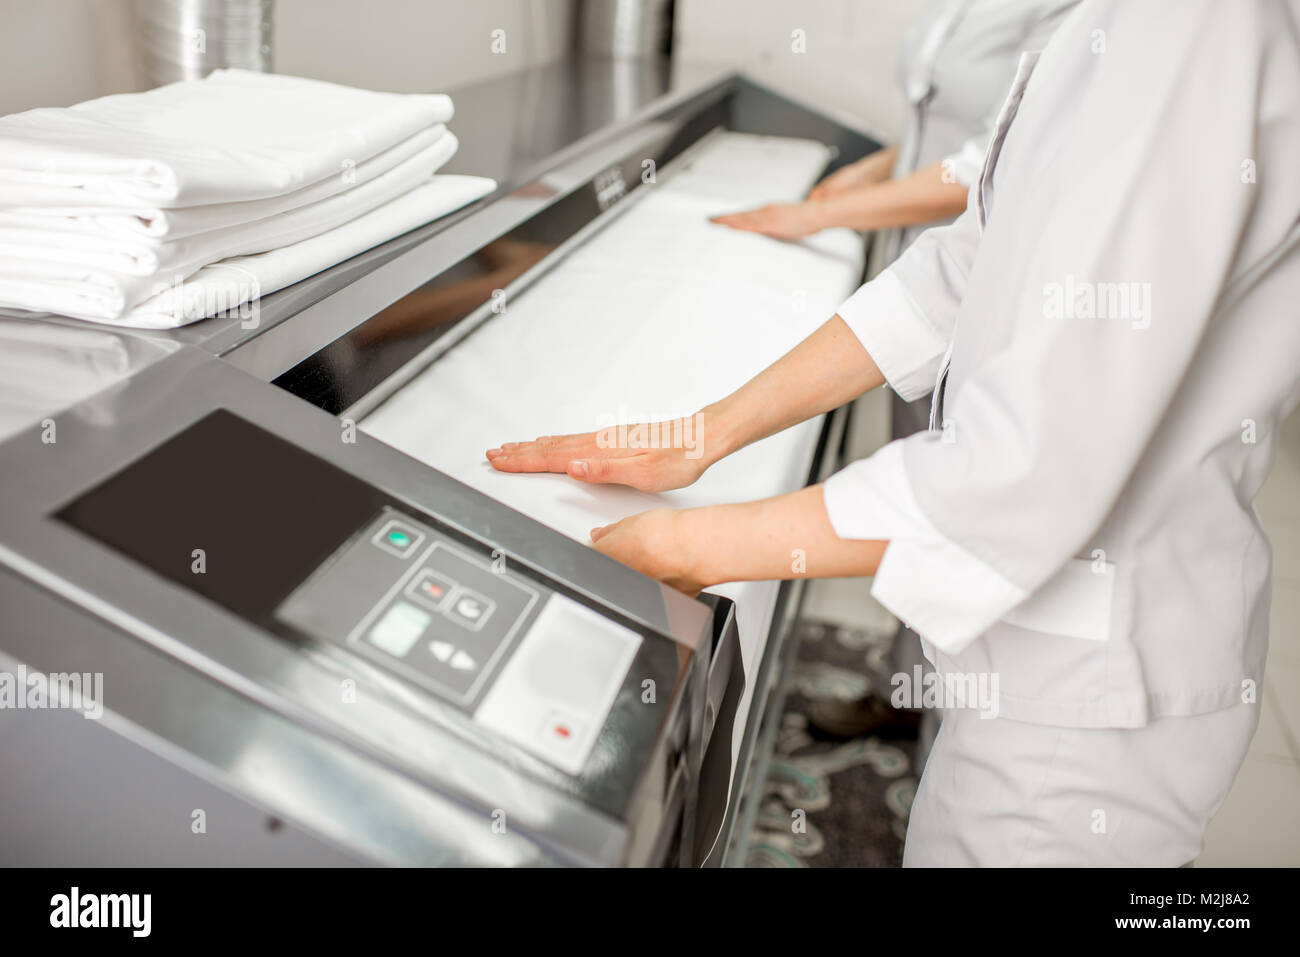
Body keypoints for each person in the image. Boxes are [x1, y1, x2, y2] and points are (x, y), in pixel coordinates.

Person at [487, 0, 1300, 865]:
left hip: (1087, 701)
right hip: (1044, 659)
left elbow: (1020, 470)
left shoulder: (1193, 23)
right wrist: (707, 432)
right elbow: (967, 263)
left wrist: (689, 545)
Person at [714, 0, 1080, 741]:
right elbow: (939, 130)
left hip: (987, 292)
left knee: (965, 504)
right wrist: (866, 176)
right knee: (918, 474)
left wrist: (817, 218)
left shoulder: (1081, 15)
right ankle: (905, 693)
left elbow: (992, 166)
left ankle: (954, 712)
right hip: (920, 276)